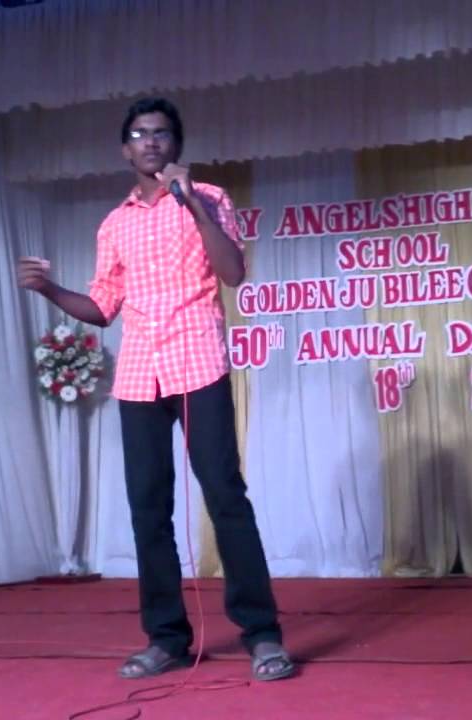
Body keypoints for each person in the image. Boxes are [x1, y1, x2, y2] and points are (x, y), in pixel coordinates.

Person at [16, 98, 295, 682]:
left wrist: (190, 201)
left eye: (161, 134)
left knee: (225, 495)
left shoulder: (209, 198)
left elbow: (234, 273)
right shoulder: (114, 224)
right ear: (125, 148)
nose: (150, 142)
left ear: (176, 145)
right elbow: (101, 309)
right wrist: (49, 290)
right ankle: (166, 637)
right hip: (140, 374)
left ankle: (263, 634)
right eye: (139, 135)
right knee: (148, 509)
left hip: (198, 364)